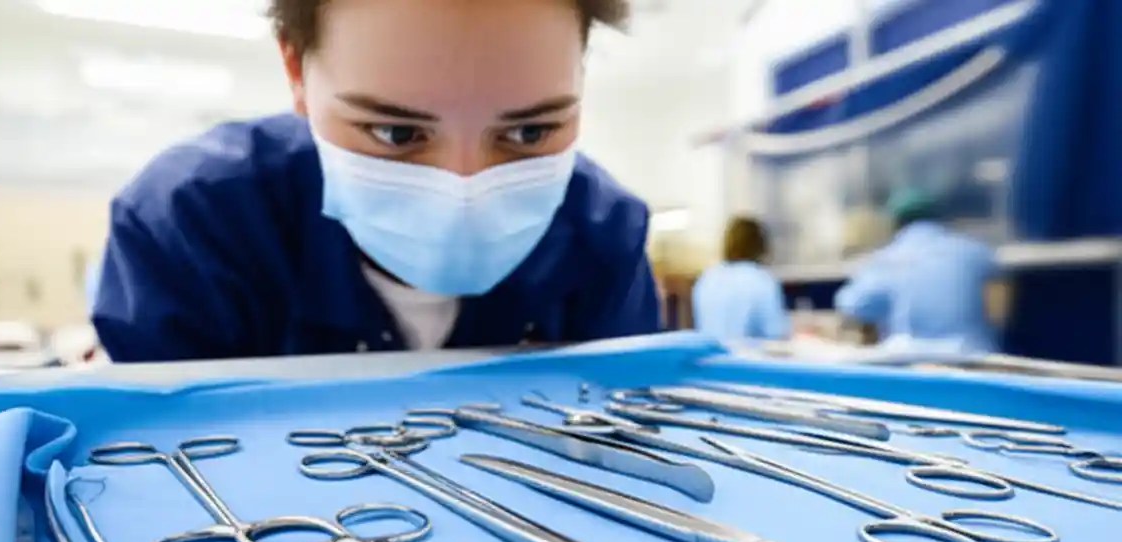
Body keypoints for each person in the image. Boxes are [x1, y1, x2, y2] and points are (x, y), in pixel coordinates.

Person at [93, 0, 660, 362]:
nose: (463, 188)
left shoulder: (604, 237)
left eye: (531, 133)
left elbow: (619, 448)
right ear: (296, 70)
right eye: (395, 133)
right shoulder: (194, 225)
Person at [835, 189, 999, 354]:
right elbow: (997, 308)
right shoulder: (975, 251)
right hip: (974, 355)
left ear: (896, 223)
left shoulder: (886, 259)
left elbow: (853, 304)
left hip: (914, 360)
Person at [691, 217, 790, 343]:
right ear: (760, 245)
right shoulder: (761, 280)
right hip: (748, 360)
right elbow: (775, 333)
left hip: (712, 359)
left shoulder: (707, 278)